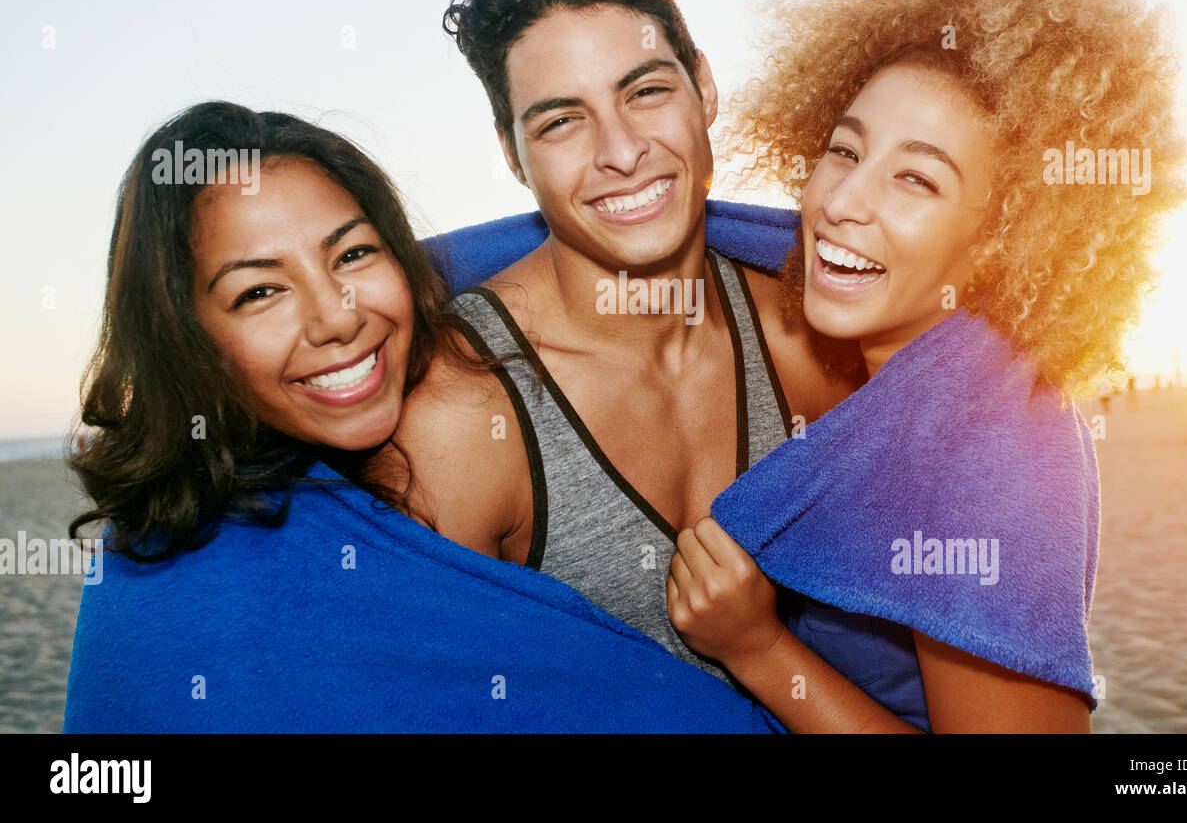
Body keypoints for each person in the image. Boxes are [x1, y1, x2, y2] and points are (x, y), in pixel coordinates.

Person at [62, 101, 779, 732]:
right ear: (186, 339)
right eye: (259, 294)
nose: (337, 318)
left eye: (353, 253)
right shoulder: (171, 600)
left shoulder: (417, 457)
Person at [665, 0, 1187, 732]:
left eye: (916, 181)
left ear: (1002, 242)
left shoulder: (1002, 440)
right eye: (844, 150)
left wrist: (758, 649)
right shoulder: (904, 373)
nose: (841, 204)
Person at [368, 0, 862, 685]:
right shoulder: (459, 417)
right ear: (513, 154)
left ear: (702, 84)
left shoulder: (809, 342)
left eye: (645, 91)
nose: (622, 152)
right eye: (562, 121)